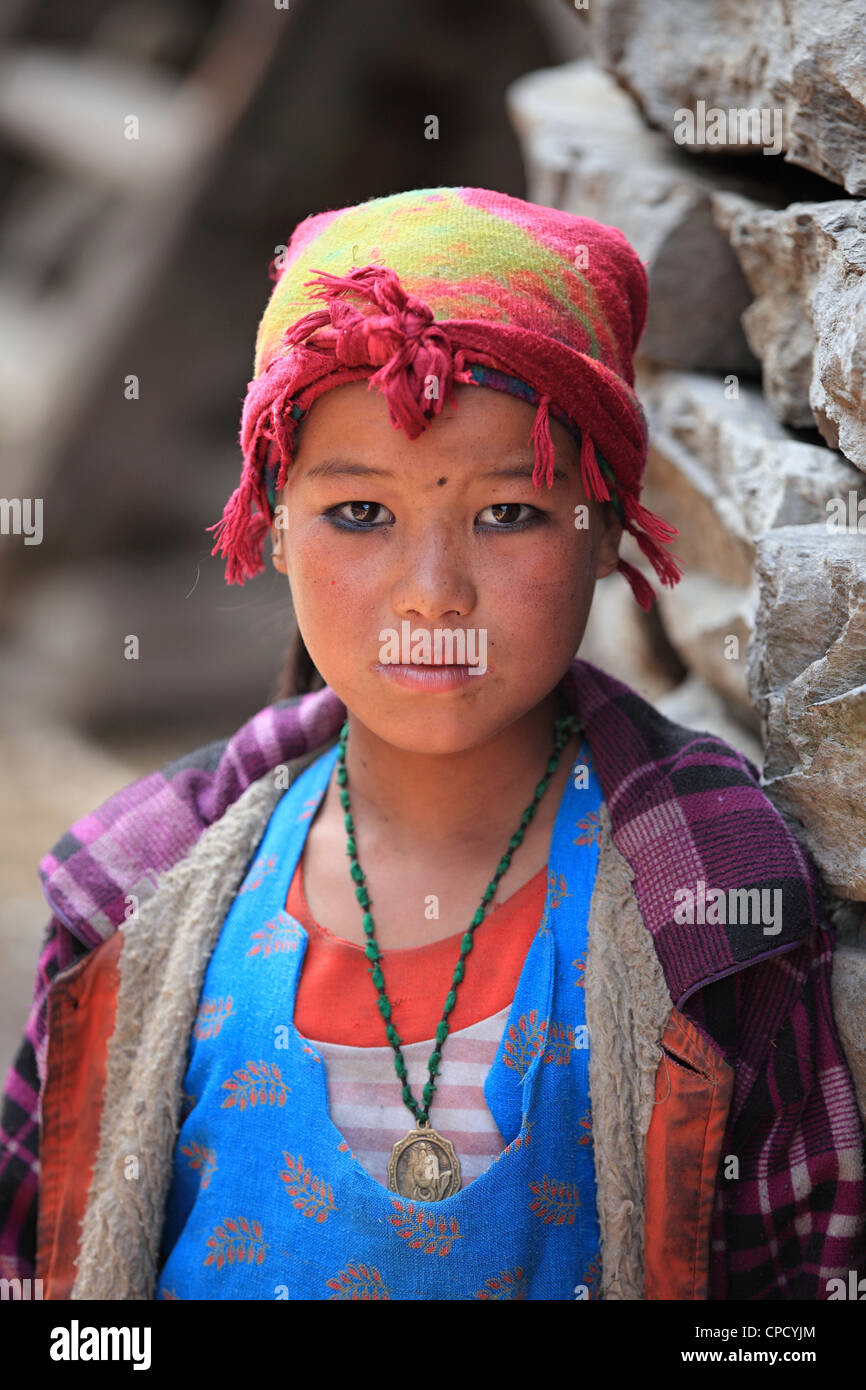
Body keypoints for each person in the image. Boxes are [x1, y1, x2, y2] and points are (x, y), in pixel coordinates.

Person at [1, 186, 863, 1301]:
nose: (432, 595)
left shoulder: (707, 902)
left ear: (603, 529)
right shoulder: (131, 899)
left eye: (507, 514)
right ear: (269, 521)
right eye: (360, 513)